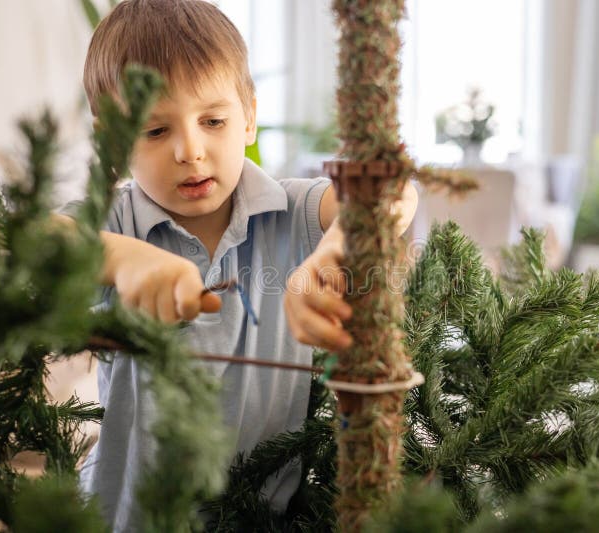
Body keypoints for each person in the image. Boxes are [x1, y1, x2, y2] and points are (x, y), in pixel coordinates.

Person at [62, 0, 417, 530]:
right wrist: (122, 259)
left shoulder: (297, 213)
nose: (190, 149)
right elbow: (29, 239)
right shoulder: (114, 221)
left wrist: (335, 250)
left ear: (248, 116)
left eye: (213, 120)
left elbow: (390, 190)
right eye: (155, 131)